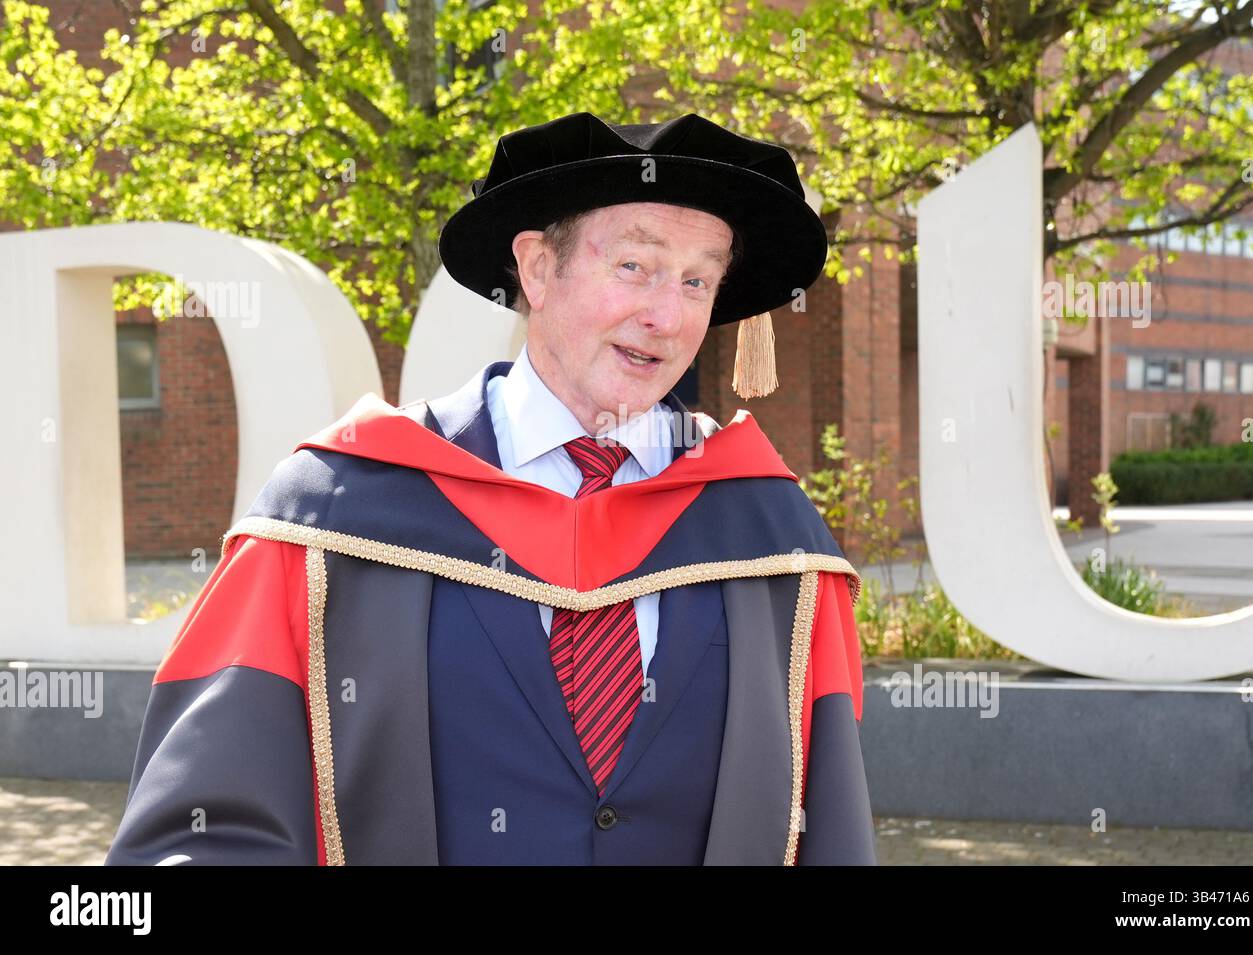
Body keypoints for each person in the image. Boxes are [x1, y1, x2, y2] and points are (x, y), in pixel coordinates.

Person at [106, 111, 877, 866]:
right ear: (538, 268)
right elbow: (204, 825)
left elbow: (830, 823)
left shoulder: (771, 538)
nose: (666, 316)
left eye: (698, 280)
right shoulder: (335, 515)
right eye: (634, 267)